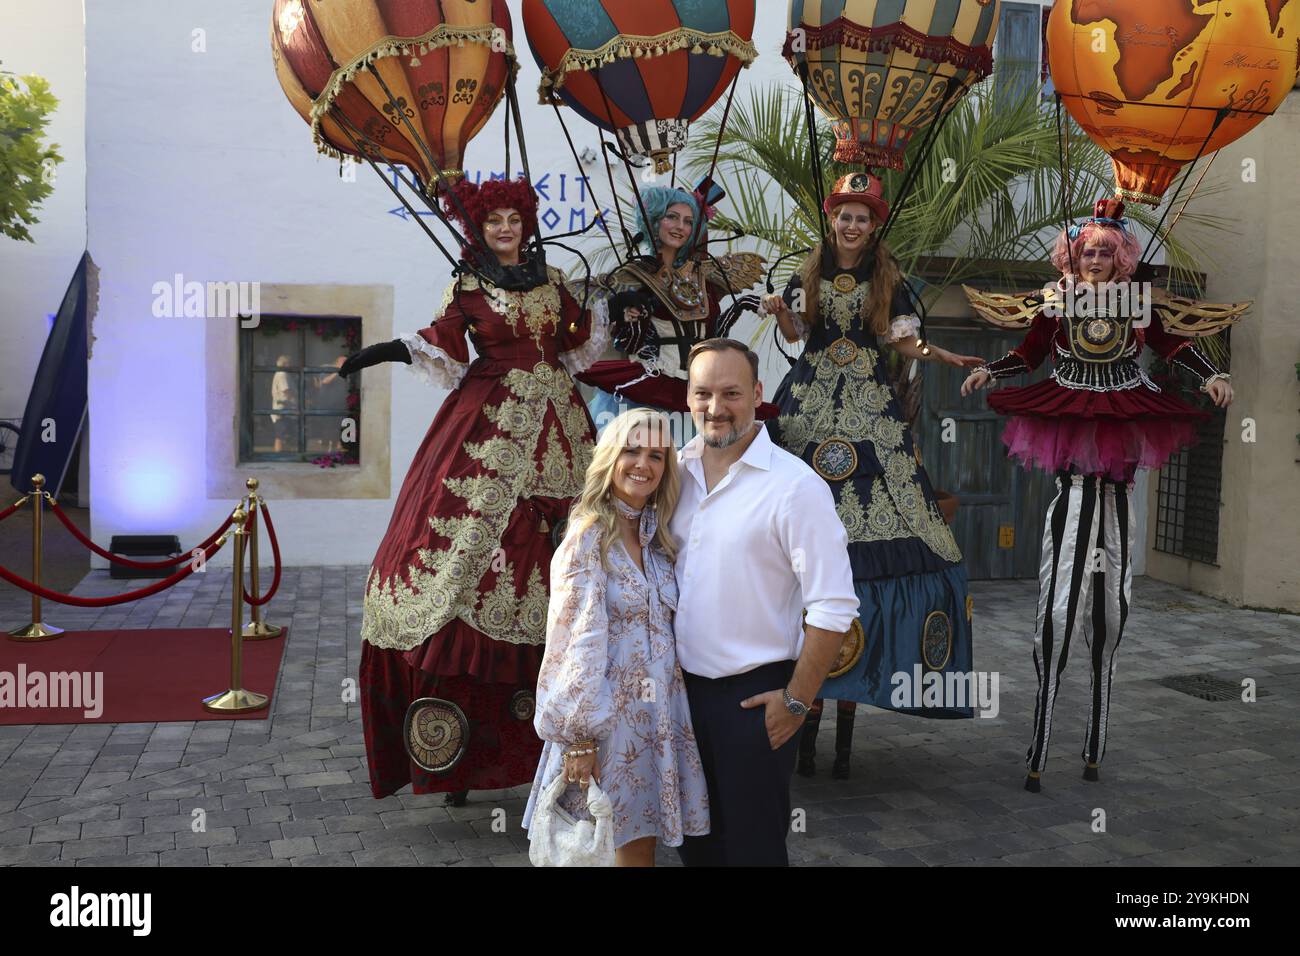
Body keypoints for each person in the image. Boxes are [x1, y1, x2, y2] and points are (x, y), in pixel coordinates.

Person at [340, 176, 608, 804]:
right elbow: (442, 341)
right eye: (495, 222)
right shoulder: (468, 287)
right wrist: (391, 349)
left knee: (572, 558)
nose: (506, 229)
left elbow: (576, 344)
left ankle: (559, 741)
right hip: (486, 426)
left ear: (527, 224)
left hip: (562, 433)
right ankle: (463, 757)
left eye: (515, 219)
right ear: (479, 230)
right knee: (463, 562)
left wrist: (615, 313)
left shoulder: (555, 281)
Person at [961, 197, 1235, 792]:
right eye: (1087, 250)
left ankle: (1095, 735)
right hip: (1071, 448)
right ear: (1073, 254)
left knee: (1111, 610)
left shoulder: (1138, 308)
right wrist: (994, 371)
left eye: (1107, 252)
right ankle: (1040, 736)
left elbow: (1173, 349)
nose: (1096, 259)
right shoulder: (1056, 302)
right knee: (1057, 606)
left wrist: (1211, 375)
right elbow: (1028, 353)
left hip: (1119, 443)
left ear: (1123, 260)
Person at [761, 172, 985, 779]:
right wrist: (782, 312)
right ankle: (802, 705)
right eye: (844, 215)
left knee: (885, 506)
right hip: (808, 400)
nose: (852, 225)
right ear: (831, 219)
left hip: (868, 399)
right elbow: (795, 335)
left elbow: (904, 344)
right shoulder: (806, 273)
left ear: (873, 224)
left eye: (862, 216)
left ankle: (849, 686)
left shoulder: (888, 279)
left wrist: (948, 355)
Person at [670, 338, 858, 866]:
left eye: (731, 392)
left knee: (753, 852)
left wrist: (796, 701)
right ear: (688, 397)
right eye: (703, 393)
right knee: (697, 851)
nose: (716, 407)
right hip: (682, 699)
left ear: (756, 394)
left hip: (754, 700)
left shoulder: (795, 487)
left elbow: (834, 607)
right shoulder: (675, 476)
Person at [523, 409, 709, 866]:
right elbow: (573, 646)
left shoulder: (655, 536)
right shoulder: (587, 540)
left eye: (655, 455)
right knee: (605, 849)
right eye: (631, 450)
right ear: (610, 457)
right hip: (607, 724)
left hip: (658, 719)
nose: (642, 463)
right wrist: (580, 740)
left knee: (637, 850)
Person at [577, 181, 773, 440]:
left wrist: (751, 303)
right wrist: (629, 317)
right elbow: (627, 342)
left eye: (689, 221)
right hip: (650, 390)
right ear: (655, 220)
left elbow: (717, 332)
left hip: (701, 395)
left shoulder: (707, 276)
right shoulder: (630, 277)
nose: (681, 227)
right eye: (672, 217)